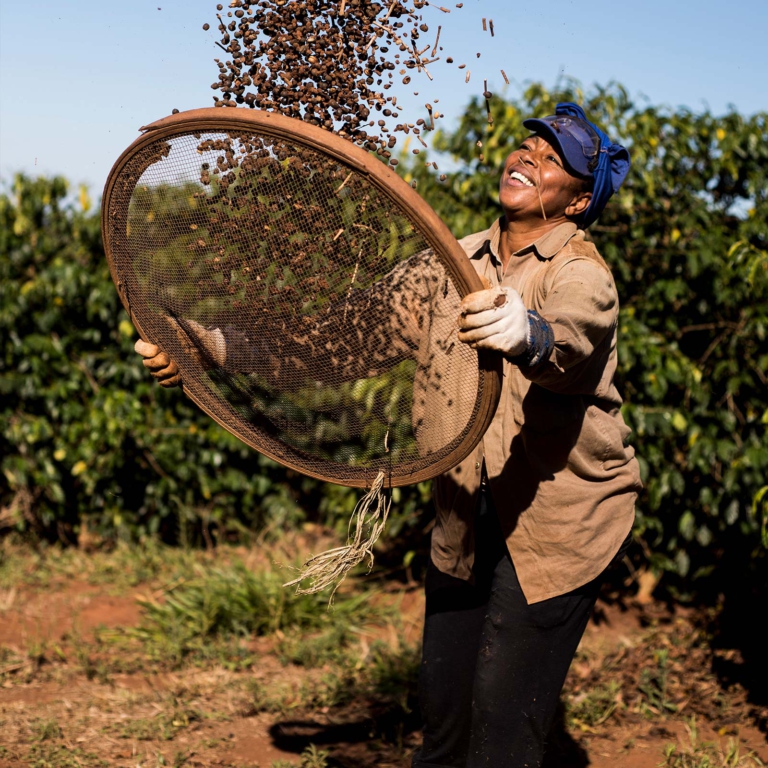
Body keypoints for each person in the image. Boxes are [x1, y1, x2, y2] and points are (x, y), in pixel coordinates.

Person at [135, 102, 641, 768]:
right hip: (465, 508)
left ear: (577, 203)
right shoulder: (447, 265)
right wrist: (205, 348)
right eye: (526, 148)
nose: (527, 159)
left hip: (559, 524)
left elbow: (571, 337)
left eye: (553, 163)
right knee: (442, 712)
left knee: (503, 730)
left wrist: (528, 333)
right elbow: (328, 347)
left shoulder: (579, 275)